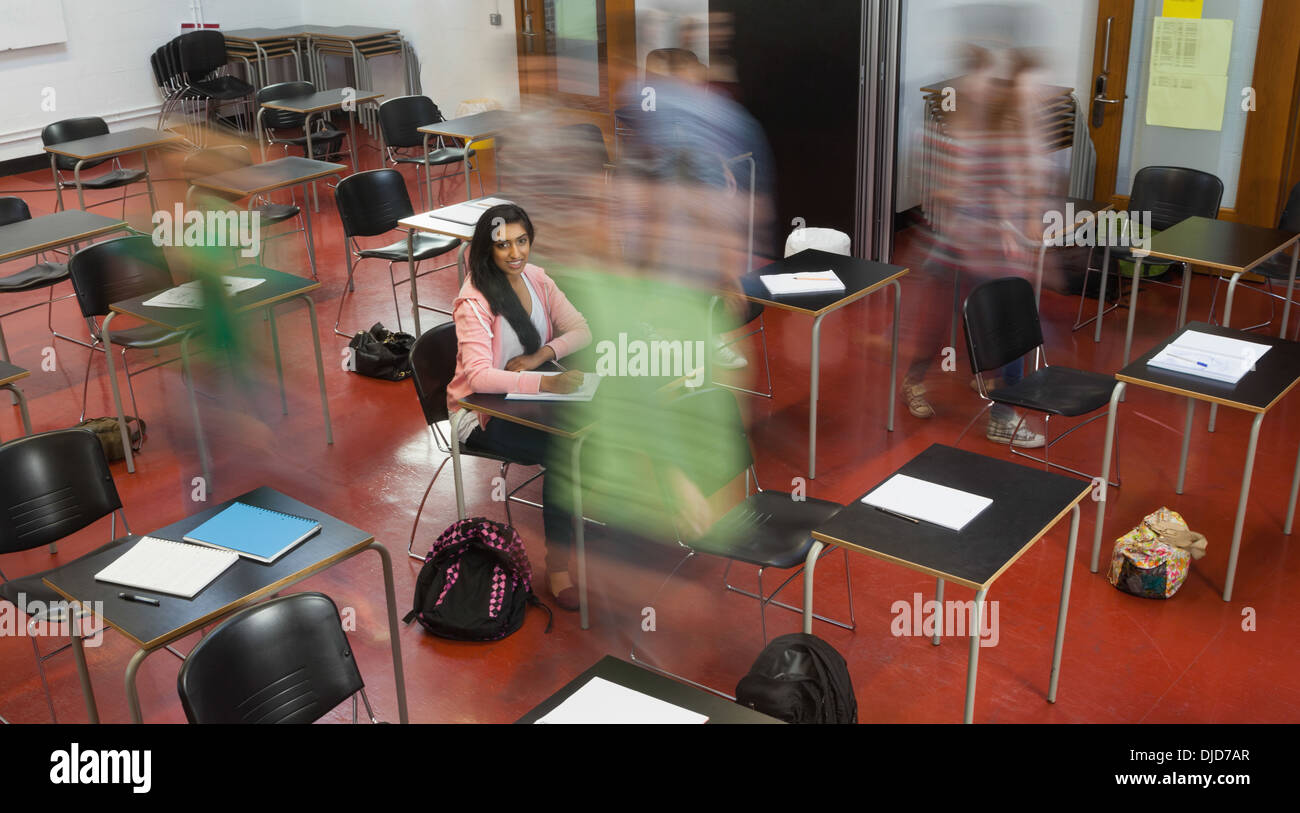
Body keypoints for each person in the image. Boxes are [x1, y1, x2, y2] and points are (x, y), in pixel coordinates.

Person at [446, 203, 592, 610]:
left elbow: (581, 329)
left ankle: (574, 520)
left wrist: (540, 355)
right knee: (565, 453)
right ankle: (558, 567)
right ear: (486, 249)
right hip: (481, 414)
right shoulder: (472, 300)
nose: (515, 253)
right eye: (503, 245)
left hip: (531, 396)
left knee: (599, 433)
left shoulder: (538, 279)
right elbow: (478, 378)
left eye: (522, 241)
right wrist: (548, 380)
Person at [902, 45, 1045, 448]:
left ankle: (1002, 410)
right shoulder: (961, 135)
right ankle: (916, 381)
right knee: (937, 327)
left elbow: (1010, 187)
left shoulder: (1005, 132)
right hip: (957, 252)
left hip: (989, 255)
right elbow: (951, 192)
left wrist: (1012, 218)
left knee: (1011, 327)